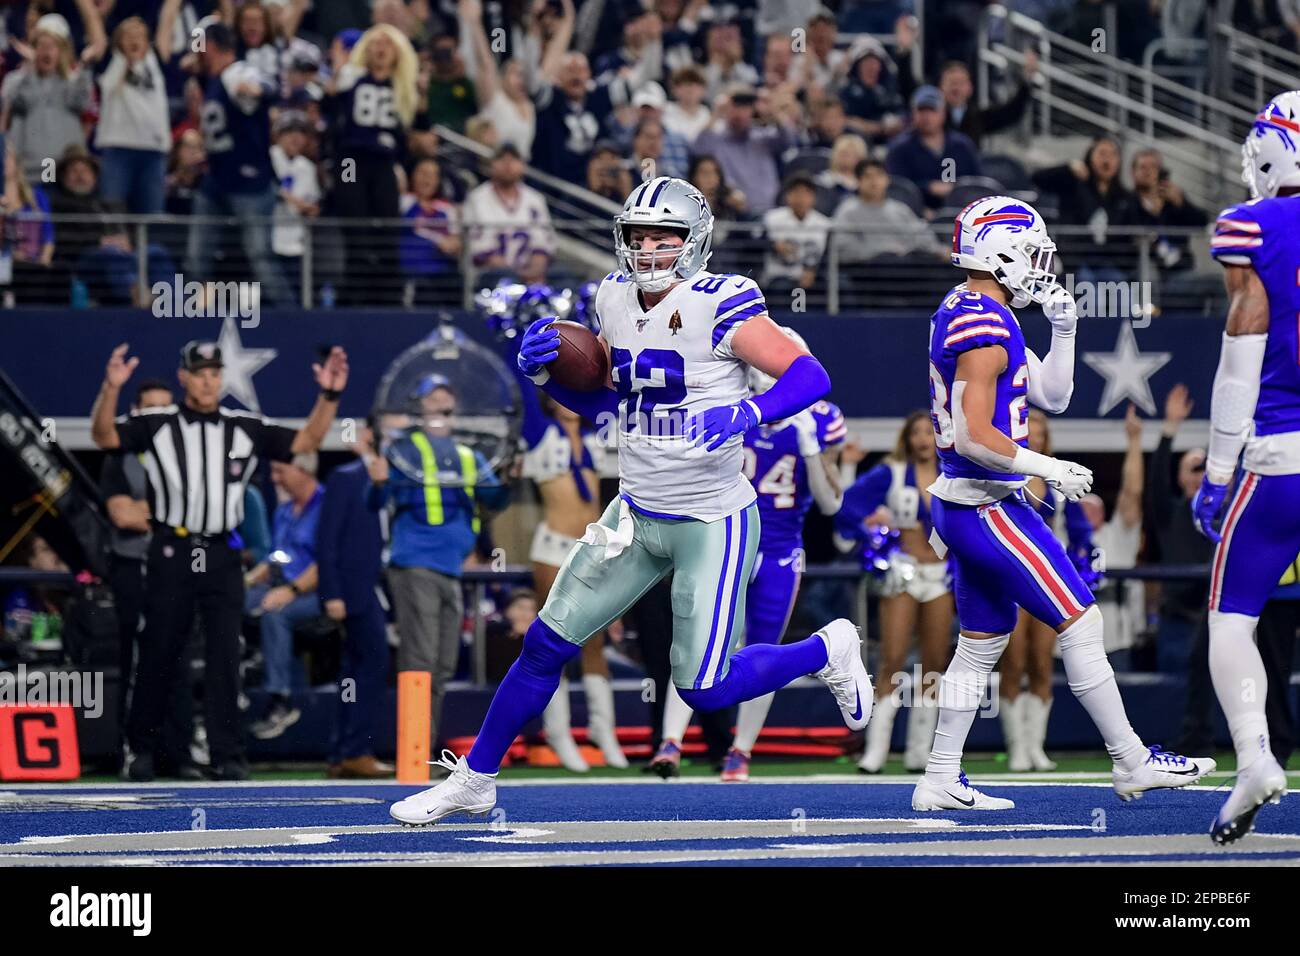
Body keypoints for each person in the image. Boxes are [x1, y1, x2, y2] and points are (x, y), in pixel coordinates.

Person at [390, 176, 871, 824]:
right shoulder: (613, 297)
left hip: (712, 519)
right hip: (636, 513)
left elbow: (811, 376)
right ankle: (477, 778)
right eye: (637, 237)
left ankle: (827, 649)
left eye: (662, 236)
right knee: (543, 643)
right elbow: (608, 404)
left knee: (704, 687)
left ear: (693, 240)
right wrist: (543, 376)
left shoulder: (722, 301)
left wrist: (749, 411)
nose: (647, 249)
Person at [914, 195, 1212, 811]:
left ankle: (939, 775)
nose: (1041, 261)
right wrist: (1043, 465)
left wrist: (1066, 326)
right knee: (1082, 619)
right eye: (1030, 250)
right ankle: (1131, 760)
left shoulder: (979, 309)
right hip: (986, 503)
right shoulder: (984, 322)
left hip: (969, 502)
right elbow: (973, 434)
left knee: (980, 642)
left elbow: (1052, 394)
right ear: (999, 253)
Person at [89, 339, 349, 782]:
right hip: (172, 548)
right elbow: (104, 437)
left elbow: (307, 441)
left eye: (215, 372)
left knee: (225, 655)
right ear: (184, 377)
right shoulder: (157, 422)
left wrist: (329, 396)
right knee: (159, 651)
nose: (208, 380)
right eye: (200, 372)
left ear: (221, 378)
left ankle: (228, 755)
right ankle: (141, 750)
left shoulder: (243, 425)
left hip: (222, 554)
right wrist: (110, 388)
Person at [655, 329, 847, 781]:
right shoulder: (730, 404)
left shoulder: (820, 421)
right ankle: (671, 741)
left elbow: (832, 503)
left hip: (781, 550)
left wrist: (813, 452)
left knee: (763, 648)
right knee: (700, 641)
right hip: (726, 539)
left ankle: (740, 751)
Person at [1193, 92, 1300, 843]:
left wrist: (1218, 473)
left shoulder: (1256, 227)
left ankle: (1255, 757)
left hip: (1281, 457)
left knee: (1233, 621)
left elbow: (1241, 358)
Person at [369, 378, 510, 757]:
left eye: (446, 393)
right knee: (421, 660)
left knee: (443, 663)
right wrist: (378, 481)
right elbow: (378, 499)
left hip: (452, 570)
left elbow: (494, 501)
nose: (441, 397)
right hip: (415, 564)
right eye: (432, 394)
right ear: (420, 406)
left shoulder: (469, 455)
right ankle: (414, 755)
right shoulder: (403, 449)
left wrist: (510, 476)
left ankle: (421, 748)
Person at [837, 411, 953, 774]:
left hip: (941, 575)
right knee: (893, 658)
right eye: (916, 432)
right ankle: (876, 751)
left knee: (934, 663)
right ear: (907, 438)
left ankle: (919, 753)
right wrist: (868, 526)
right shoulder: (889, 472)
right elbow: (846, 507)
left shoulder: (954, 475)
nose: (922, 439)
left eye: (928, 432)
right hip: (902, 572)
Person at [99, 378, 198, 777]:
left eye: (163, 409)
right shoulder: (119, 456)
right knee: (141, 657)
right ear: (135, 413)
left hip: (176, 568)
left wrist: (154, 513)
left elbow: (201, 513)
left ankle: (179, 753)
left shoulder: (186, 456)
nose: (156, 416)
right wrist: (172, 515)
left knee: (179, 658)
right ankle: (136, 749)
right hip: (134, 568)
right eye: (148, 409)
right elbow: (123, 515)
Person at [996, 409, 1093, 773]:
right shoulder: (1004, 474)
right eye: (1028, 431)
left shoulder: (1059, 482)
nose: (1034, 437)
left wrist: (1084, 565)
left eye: (1040, 432)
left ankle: (1036, 746)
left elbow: (1081, 533)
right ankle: (1016, 746)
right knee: (1014, 660)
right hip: (1013, 577)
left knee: (1041, 662)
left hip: (1051, 580)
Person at [183, 21, 293, 307]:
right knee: (197, 255)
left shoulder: (234, 73)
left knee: (259, 255)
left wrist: (256, 88)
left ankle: (291, 314)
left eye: (202, 47)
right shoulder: (212, 80)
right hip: (217, 177)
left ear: (214, 47)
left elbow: (267, 85)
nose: (199, 54)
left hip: (248, 181)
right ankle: (195, 314)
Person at [316, 417, 393, 779]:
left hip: (374, 587)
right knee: (373, 662)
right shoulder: (345, 477)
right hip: (353, 589)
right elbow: (327, 539)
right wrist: (332, 592)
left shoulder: (393, 479)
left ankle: (341, 752)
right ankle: (355, 749)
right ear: (369, 435)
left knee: (355, 669)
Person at [326, 23, 420, 307]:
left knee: (387, 230)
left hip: (383, 163)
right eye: (374, 43)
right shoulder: (351, 78)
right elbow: (330, 113)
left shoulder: (404, 88)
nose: (380, 49)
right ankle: (353, 298)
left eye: (387, 44)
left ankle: (388, 298)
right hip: (351, 160)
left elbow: (409, 136)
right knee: (356, 230)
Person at [243, 453, 324, 740]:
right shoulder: (284, 510)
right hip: (281, 587)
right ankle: (238, 677)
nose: (275, 479)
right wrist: (246, 581)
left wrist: (290, 592)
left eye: (280, 471)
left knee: (274, 614)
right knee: (230, 602)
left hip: (319, 594)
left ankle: (280, 700)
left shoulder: (326, 506)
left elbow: (325, 562)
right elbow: (275, 557)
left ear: (303, 470)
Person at [1, 9, 103, 182]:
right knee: (32, 206)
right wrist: (29, 70)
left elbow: (82, 103)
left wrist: (85, 65)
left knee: (55, 205)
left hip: (63, 168)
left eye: (52, 46)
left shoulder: (72, 80)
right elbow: (20, 102)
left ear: (62, 51)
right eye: (41, 46)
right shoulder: (15, 79)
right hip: (25, 165)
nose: (46, 52)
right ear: (32, 49)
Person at [92, 15, 171, 215]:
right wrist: (127, 60)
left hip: (153, 151)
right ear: (119, 41)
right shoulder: (110, 61)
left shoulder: (157, 61)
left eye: (139, 36)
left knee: (152, 217)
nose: (134, 40)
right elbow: (94, 24)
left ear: (147, 41)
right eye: (128, 36)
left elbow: (167, 18)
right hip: (118, 150)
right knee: (112, 214)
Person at [693, 84, 798, 216]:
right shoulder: (716, 140)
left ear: (752, 110)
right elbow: (697, 150)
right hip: (732, 216)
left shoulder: (763, 138)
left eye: (745, 107)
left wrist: (773, 110)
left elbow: (789, 140)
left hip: (768, 212)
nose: (739, 112)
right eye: (735, 106)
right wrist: (716, 113)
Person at [463, 144, 555, 285]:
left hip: (531, 274)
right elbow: (480, 249)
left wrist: (533, 271)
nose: (508, 165)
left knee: (563, 277)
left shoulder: (535, 199)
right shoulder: (477, 199)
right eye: (502, 159)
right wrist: (518, 275)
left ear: (522, 165)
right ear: (492, 164)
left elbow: (543, 243)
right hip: (490, 275)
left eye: (513, 160)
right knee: (504, 279)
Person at [884, 85, 981, 212]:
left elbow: (979, 184)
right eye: (921, 110)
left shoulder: (962, 145)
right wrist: (928, 187)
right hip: (913, 217)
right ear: (913, 113)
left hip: (961, 214)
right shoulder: (899, 148)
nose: (926, 116)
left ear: (943, 113)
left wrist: (956, 189)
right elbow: (896, 189)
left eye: (932, 110)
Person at [831, 159, 943, 264]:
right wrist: (884, 251)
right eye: (868, 176)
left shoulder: (900, 209)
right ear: (858, 181)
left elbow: (923, 236)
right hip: (865, 272)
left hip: (906, 268)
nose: (874, 181)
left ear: (887, 179)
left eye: (879, 175)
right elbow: (842, 249)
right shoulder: (847, 211)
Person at [760, 173, 830, 299]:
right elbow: (753, 243)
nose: (801, 198)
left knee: (832, 286)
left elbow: (829, 256)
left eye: (806, 193)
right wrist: (773, 245)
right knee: (780, 288)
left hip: (812, 277)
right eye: (796, 192)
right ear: (787, 196)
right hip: (780, 275)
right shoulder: (772, 218)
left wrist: (814, 271)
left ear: (813, 197)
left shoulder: (824, 223)